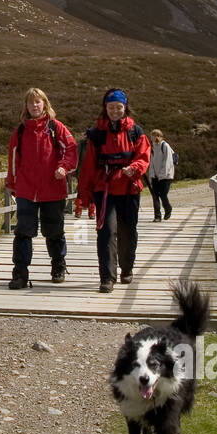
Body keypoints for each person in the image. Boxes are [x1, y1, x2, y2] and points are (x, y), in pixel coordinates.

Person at [76, 89, 151, 293]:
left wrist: (134, 169)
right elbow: (88, 166)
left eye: (119, 107)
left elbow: (143, 156)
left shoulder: (136, 132)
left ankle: (127, 268)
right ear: (105, 108)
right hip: (105, 188)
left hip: (129, 187)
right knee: (106, 232)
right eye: (111, 107)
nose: (115, 111)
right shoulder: (97, 135)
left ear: (125, 107)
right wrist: (84, 194)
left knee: (128, 230)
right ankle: (107, 277)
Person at [4, 88, 78, 289]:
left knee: (54, 231)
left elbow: (71, 149)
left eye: (38, 102)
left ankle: (58, 265)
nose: (34, 106)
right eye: (30, 103)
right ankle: (20, 273)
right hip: (26, 190)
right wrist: (11, 183)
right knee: (23, 232)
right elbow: (13, 160)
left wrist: (64, 167)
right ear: (26, 106)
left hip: (52, 189)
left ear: (45, 104)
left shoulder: (56, 127)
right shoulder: (20, 131)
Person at [148, 128, 175, 221]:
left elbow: (168, 162)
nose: (151, 137)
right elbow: (151, 162)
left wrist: (162, 175)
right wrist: (151, 175)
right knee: (155, 195)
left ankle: (168, 209)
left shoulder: (165, 146)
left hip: (166, 176)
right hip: (155, 176)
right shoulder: (152, 147)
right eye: (151, 135)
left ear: (158, 136)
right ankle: (157, 216)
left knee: (163, 194)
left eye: (154, 135)